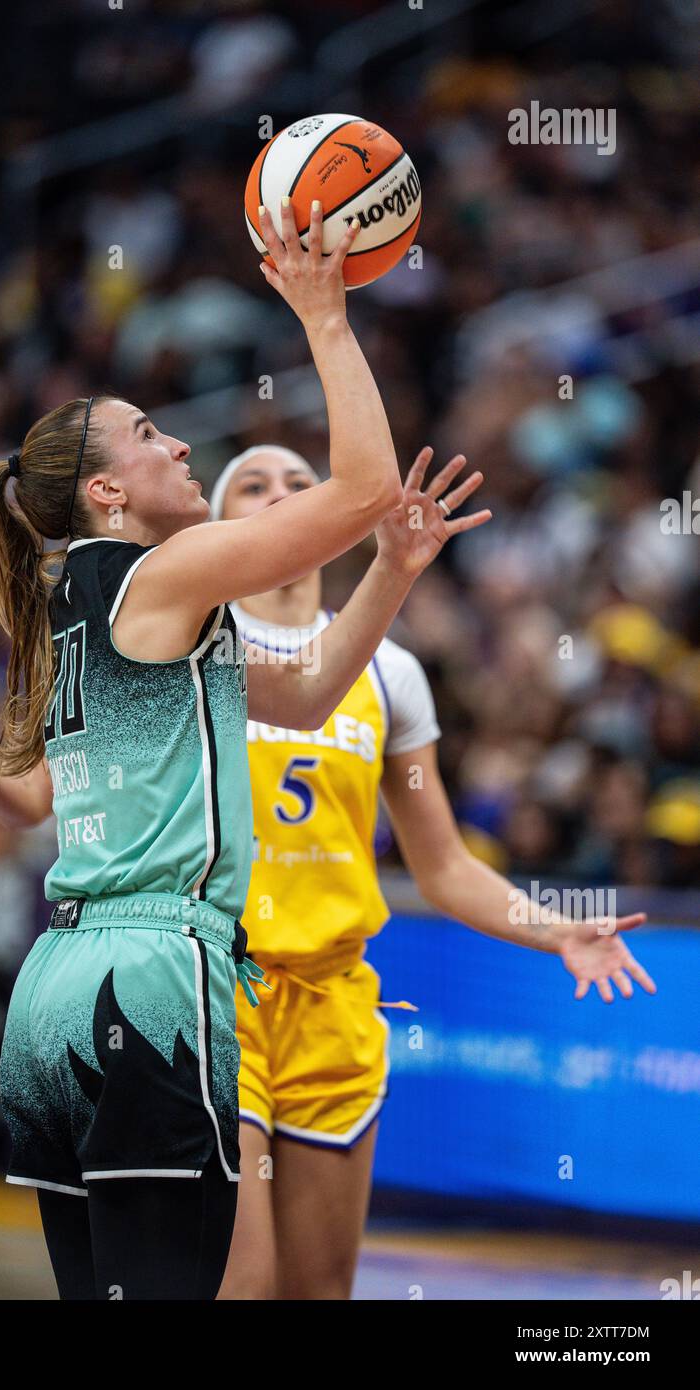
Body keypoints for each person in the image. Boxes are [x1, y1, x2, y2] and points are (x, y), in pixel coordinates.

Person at [0, 200, 474, 1300]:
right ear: (105, 492)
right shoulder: (165, 575)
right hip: (154, 975)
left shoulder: (69, 611)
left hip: (56, 986)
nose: (181, 445)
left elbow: (297, 697)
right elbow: (365, 489)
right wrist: (325, 317)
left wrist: (391, 572)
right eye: (149, 436)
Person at [210, 444, 658, 1301]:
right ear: (218, 524)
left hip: (333, 1003)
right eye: (253, 485)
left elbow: (445, 864)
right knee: (243, 1283)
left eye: (300, 483)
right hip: (217, 990)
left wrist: (554, 929)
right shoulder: (190, 643)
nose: (281, 494)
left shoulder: (389, 669)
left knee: (318, 1291)